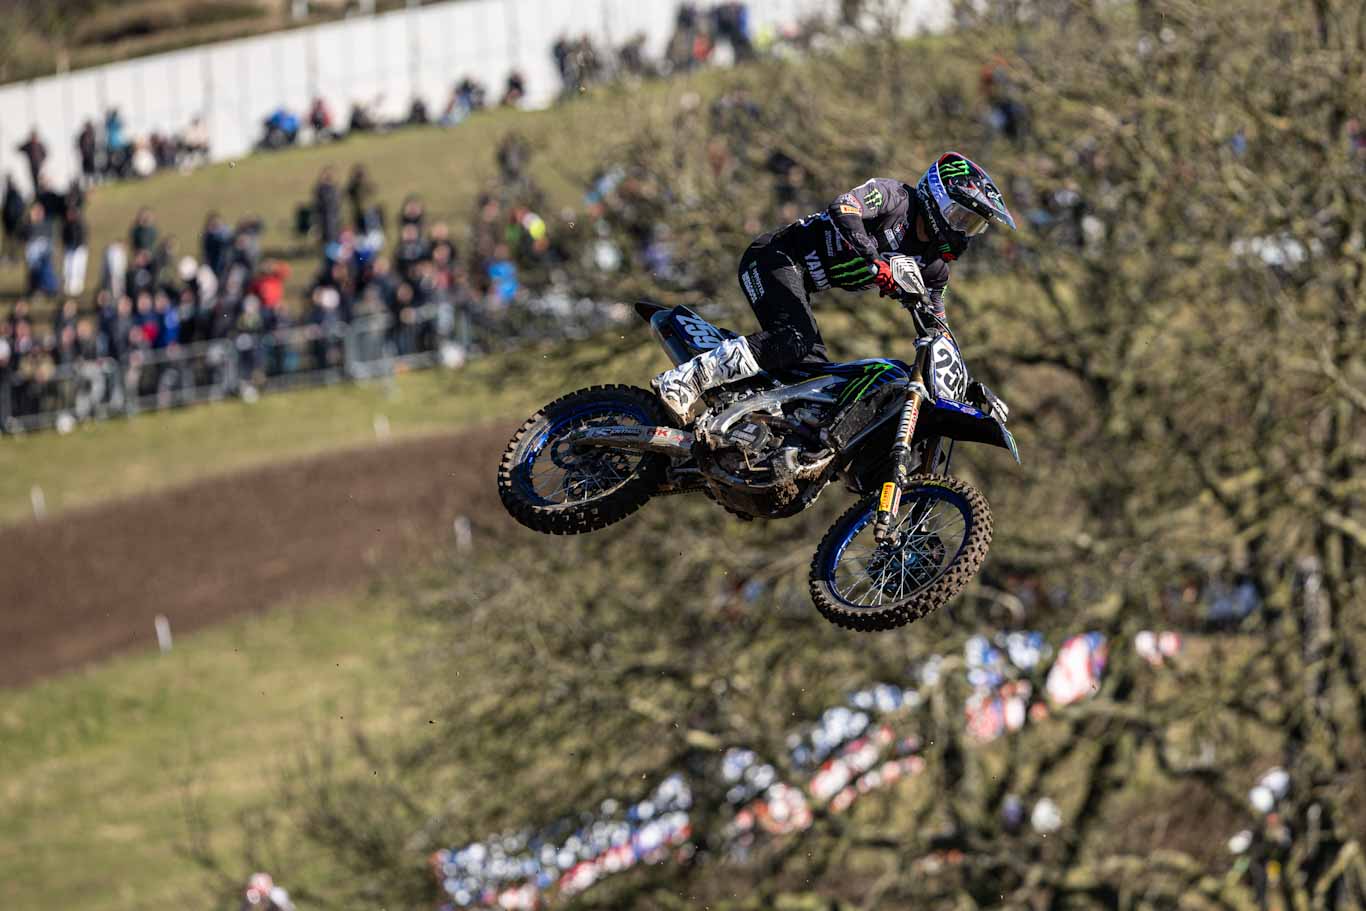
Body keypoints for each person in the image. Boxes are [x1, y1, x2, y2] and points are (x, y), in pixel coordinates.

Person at [652, 152, 1016, 422]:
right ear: (938, 197)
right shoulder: (894, 197)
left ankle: (746, 432)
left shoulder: (934, 266)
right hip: (773, 257)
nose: (964, 231)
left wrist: (966, 388)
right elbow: (844, 207)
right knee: (795, 336)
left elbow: (938, 328)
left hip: (800, 281)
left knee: (816, 386)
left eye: (973, 225)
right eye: (962, 218)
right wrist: (877, 263)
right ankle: (685, 380)